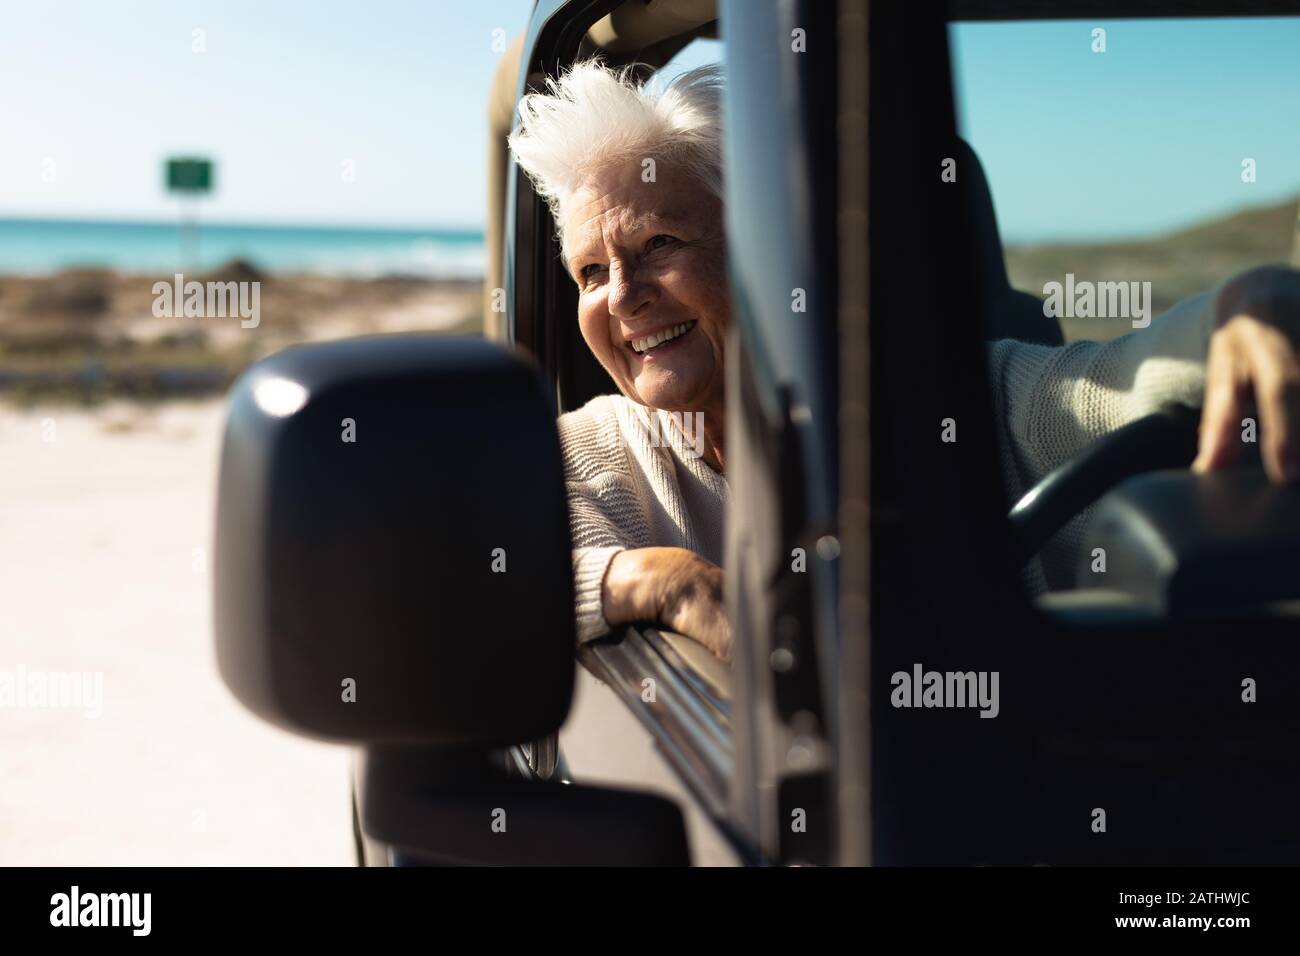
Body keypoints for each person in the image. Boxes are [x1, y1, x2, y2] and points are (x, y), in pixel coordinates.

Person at [507, 61, 1300, 662]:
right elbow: (483, 577)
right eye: (589, 273)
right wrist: (664, 581)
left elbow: (1131, 378)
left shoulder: (970, 397)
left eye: (658, 246)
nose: (623, 297)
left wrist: (1253, 305)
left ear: (769, 255)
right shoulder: (591, 450)